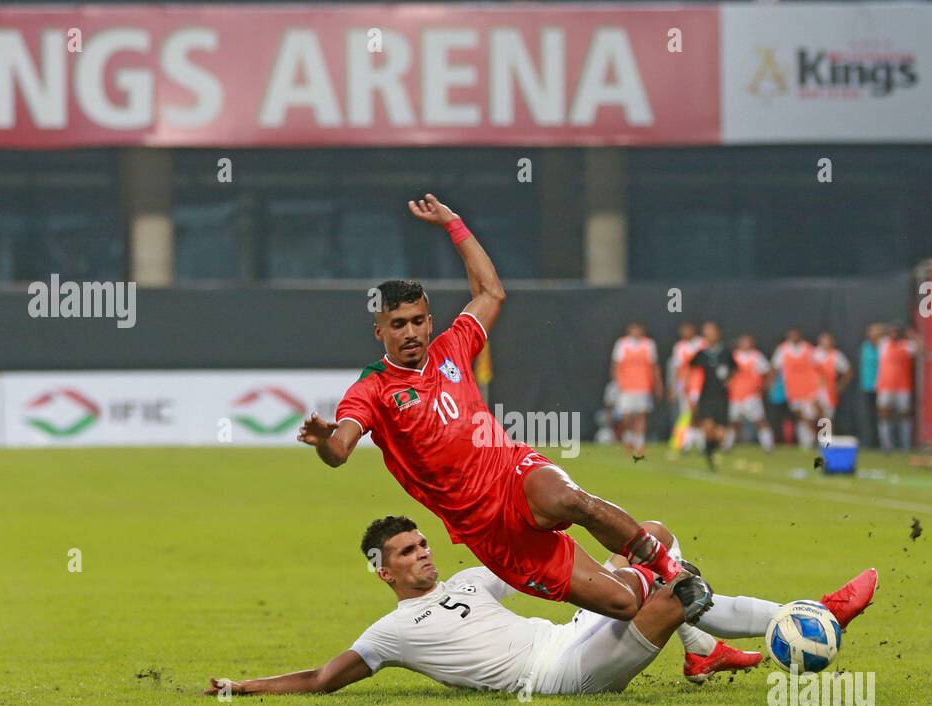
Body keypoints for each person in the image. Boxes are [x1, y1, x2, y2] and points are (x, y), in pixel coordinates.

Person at [297, 193, 711, 625]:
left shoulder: (451, 348)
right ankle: (671, 595)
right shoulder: (373, 388)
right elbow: (340, 450)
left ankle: (670, 571)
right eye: (398, 325)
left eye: (418, 321)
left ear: (430, 321)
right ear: (379, 329)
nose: (410, 332)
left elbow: (491, 292)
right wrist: (325, 440)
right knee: (623, 605)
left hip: (512, 472)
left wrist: (454, 224)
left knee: (572, 500)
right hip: (487, 529)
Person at [206, 516, 879, 697]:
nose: (422, 556)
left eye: (421, 544)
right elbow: (324, 679)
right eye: (406, 553)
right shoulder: (392, 630)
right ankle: (813, 613)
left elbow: (531, 560)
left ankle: (703, 655)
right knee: (676, 593)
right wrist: (244, 686)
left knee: (659, 543)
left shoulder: (470, 578)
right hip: (557, 678)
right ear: (382, 572)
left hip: (570, 633)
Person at [687, 321, 739, 470]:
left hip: (722, 397)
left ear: (718, 334)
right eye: (706, 333)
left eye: (711, 332)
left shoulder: (726, 353)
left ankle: (710, 450)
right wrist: (690, 392)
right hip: (706, 396)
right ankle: (709, 456)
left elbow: (735, 369)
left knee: (721, 434)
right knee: (708, 427)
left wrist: (730, 380)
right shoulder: (701, 354)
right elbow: (690, 371)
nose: (709, 335)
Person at [610, 321, 662, 457]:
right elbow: (616, 365)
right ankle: (628, 439)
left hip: (643, 385)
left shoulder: (648, 345)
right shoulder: (622, 344)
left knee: (641, 415)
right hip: (626, 386)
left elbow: (654, 366)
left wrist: (658, 384)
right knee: (626, 416)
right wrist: (617, 383)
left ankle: (639, 444)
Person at [772, 328, 822, 449]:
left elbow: (818, 366)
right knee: (799, 414)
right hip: (792, 388)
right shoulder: (782, 349)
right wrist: (772, 383)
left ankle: (813, 440)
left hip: (809, 387)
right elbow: (775, 367)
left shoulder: (808, 348)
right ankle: (812, 438)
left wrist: (820, 384)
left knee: (812, 415)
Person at [728, 334, 774, 452]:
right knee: (734, 422)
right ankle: (726, 446)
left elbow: (768, 371)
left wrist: (764, 386)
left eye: (748, 342)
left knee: (759, 421)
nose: (745, 344)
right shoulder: (733, 356)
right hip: (735, 395)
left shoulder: (756, 356)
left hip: (752, 395)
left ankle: (768, 445)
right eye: (743, 342)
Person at [876, 324, 918, 452]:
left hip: (903, 386)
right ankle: (886, 445)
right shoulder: (883, 344)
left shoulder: (907, 345)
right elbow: (874, 333)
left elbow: (921, 349)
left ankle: (905, 445)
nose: (894, 334)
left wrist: (913, 335)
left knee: (904, 414)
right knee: (884, 414)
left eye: (896, 332)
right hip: (885, 385)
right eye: (892, 332)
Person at [669, 321, 706, 455]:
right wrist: (674, 387)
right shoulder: (679, 347)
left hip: (700, 382)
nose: (685, 333)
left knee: (697, 412)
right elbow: (677, 368)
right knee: (686, 413)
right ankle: (686, 443)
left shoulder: (702, 343)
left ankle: (698, 442)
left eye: (688, 330)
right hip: (685, 384)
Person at [814, 331, 852, 434]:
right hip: (814, 389)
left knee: (827, 417)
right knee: (814, 413)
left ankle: (826, 441)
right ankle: (812, 438)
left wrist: (840, 386)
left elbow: (848, 372)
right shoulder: (814, 354)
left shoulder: (837, 356)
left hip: (829, 391)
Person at [858, 324, 883, 448]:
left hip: (882, 386)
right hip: (868, 386)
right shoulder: (866, 347)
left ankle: (882, 443)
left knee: (882, 415)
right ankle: (869, 442)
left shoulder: (884, 347)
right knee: (869, 416)